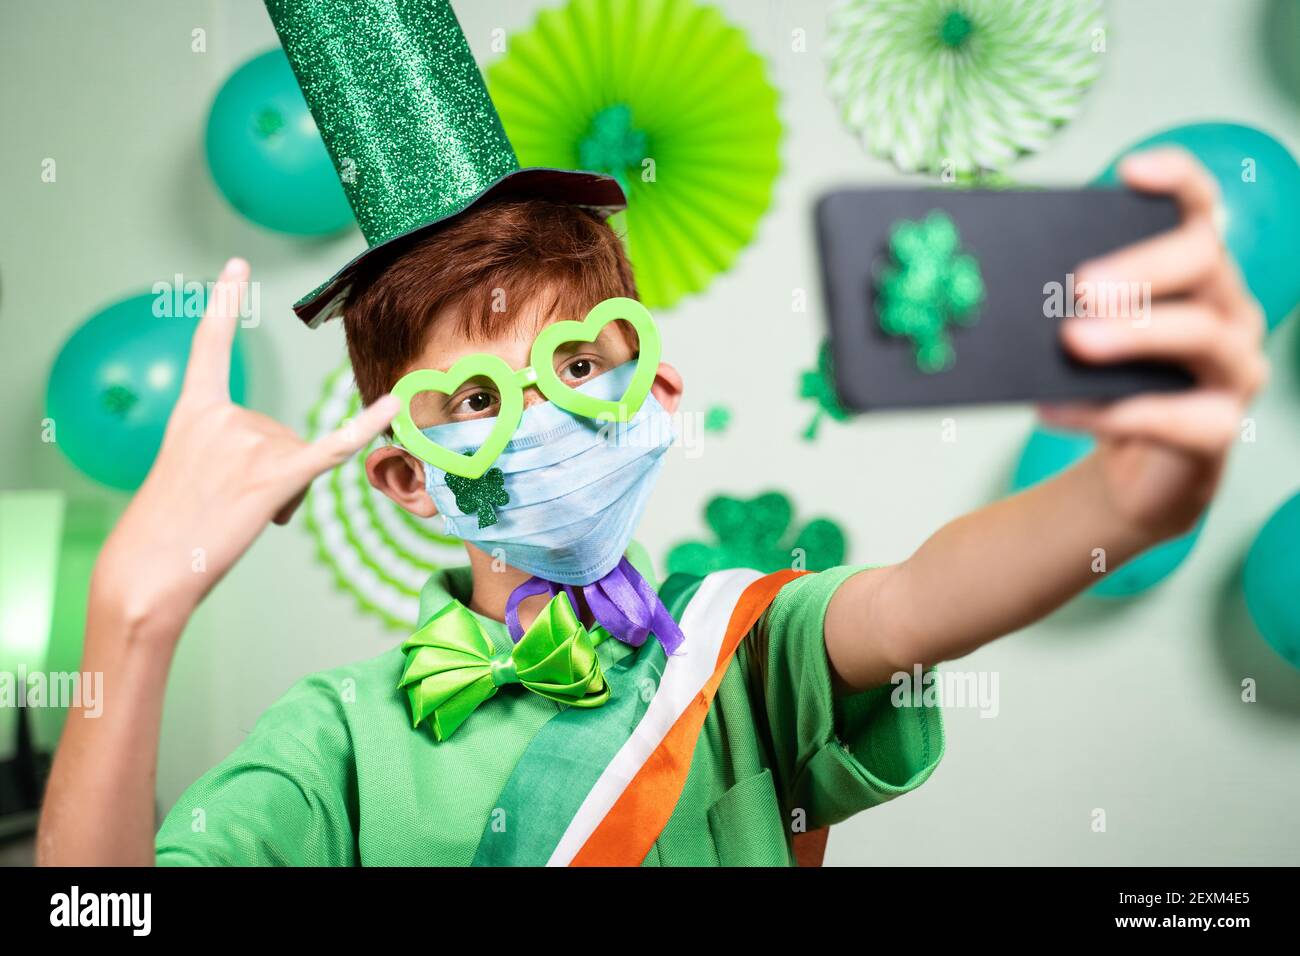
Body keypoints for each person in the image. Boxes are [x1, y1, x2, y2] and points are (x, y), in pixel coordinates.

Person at [36, 0, 1267, 866]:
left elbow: (922, 598)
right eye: (473, 398)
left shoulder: (746, 648)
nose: (542, 412)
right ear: (408, 474)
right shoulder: (334, 738)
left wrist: (1129, 497)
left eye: (578, 363)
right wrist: (131, 619)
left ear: (656, 394)